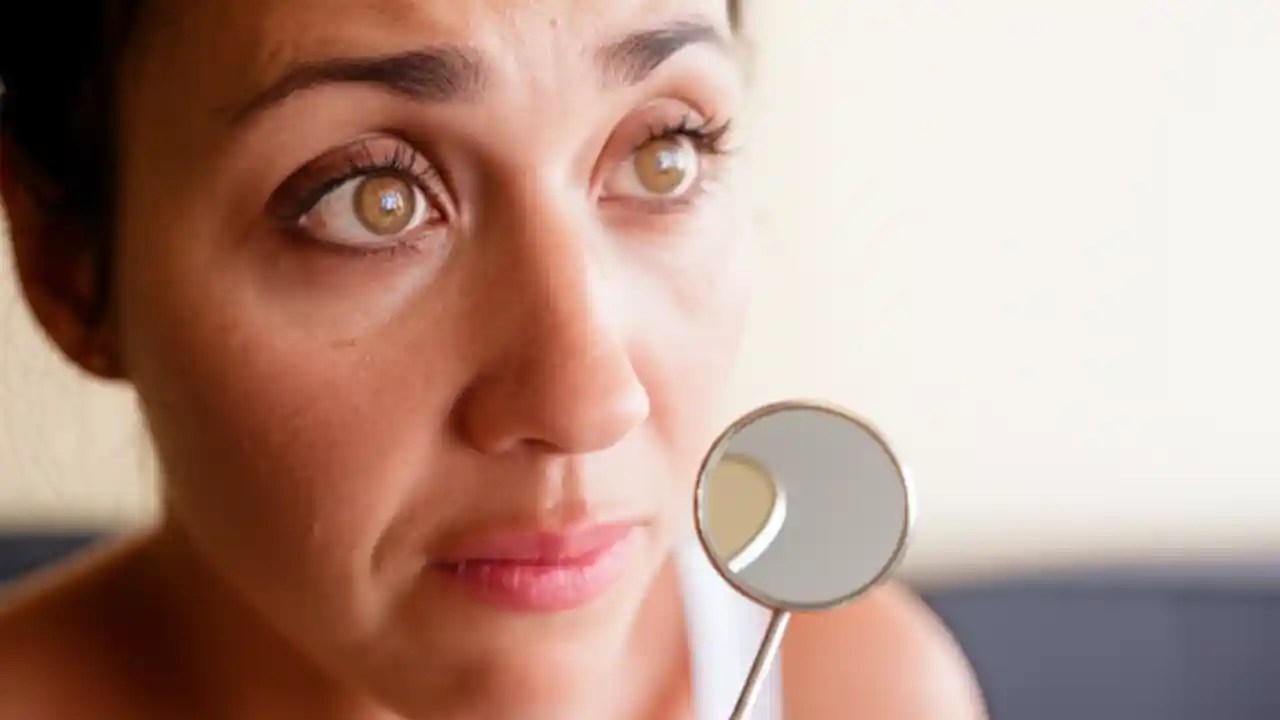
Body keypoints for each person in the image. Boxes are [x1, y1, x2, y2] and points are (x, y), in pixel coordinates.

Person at [0, 1, 987, 717]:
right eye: (370, 198)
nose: (588, 402)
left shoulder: (860, 691)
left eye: (663, 154)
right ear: (69, 268)